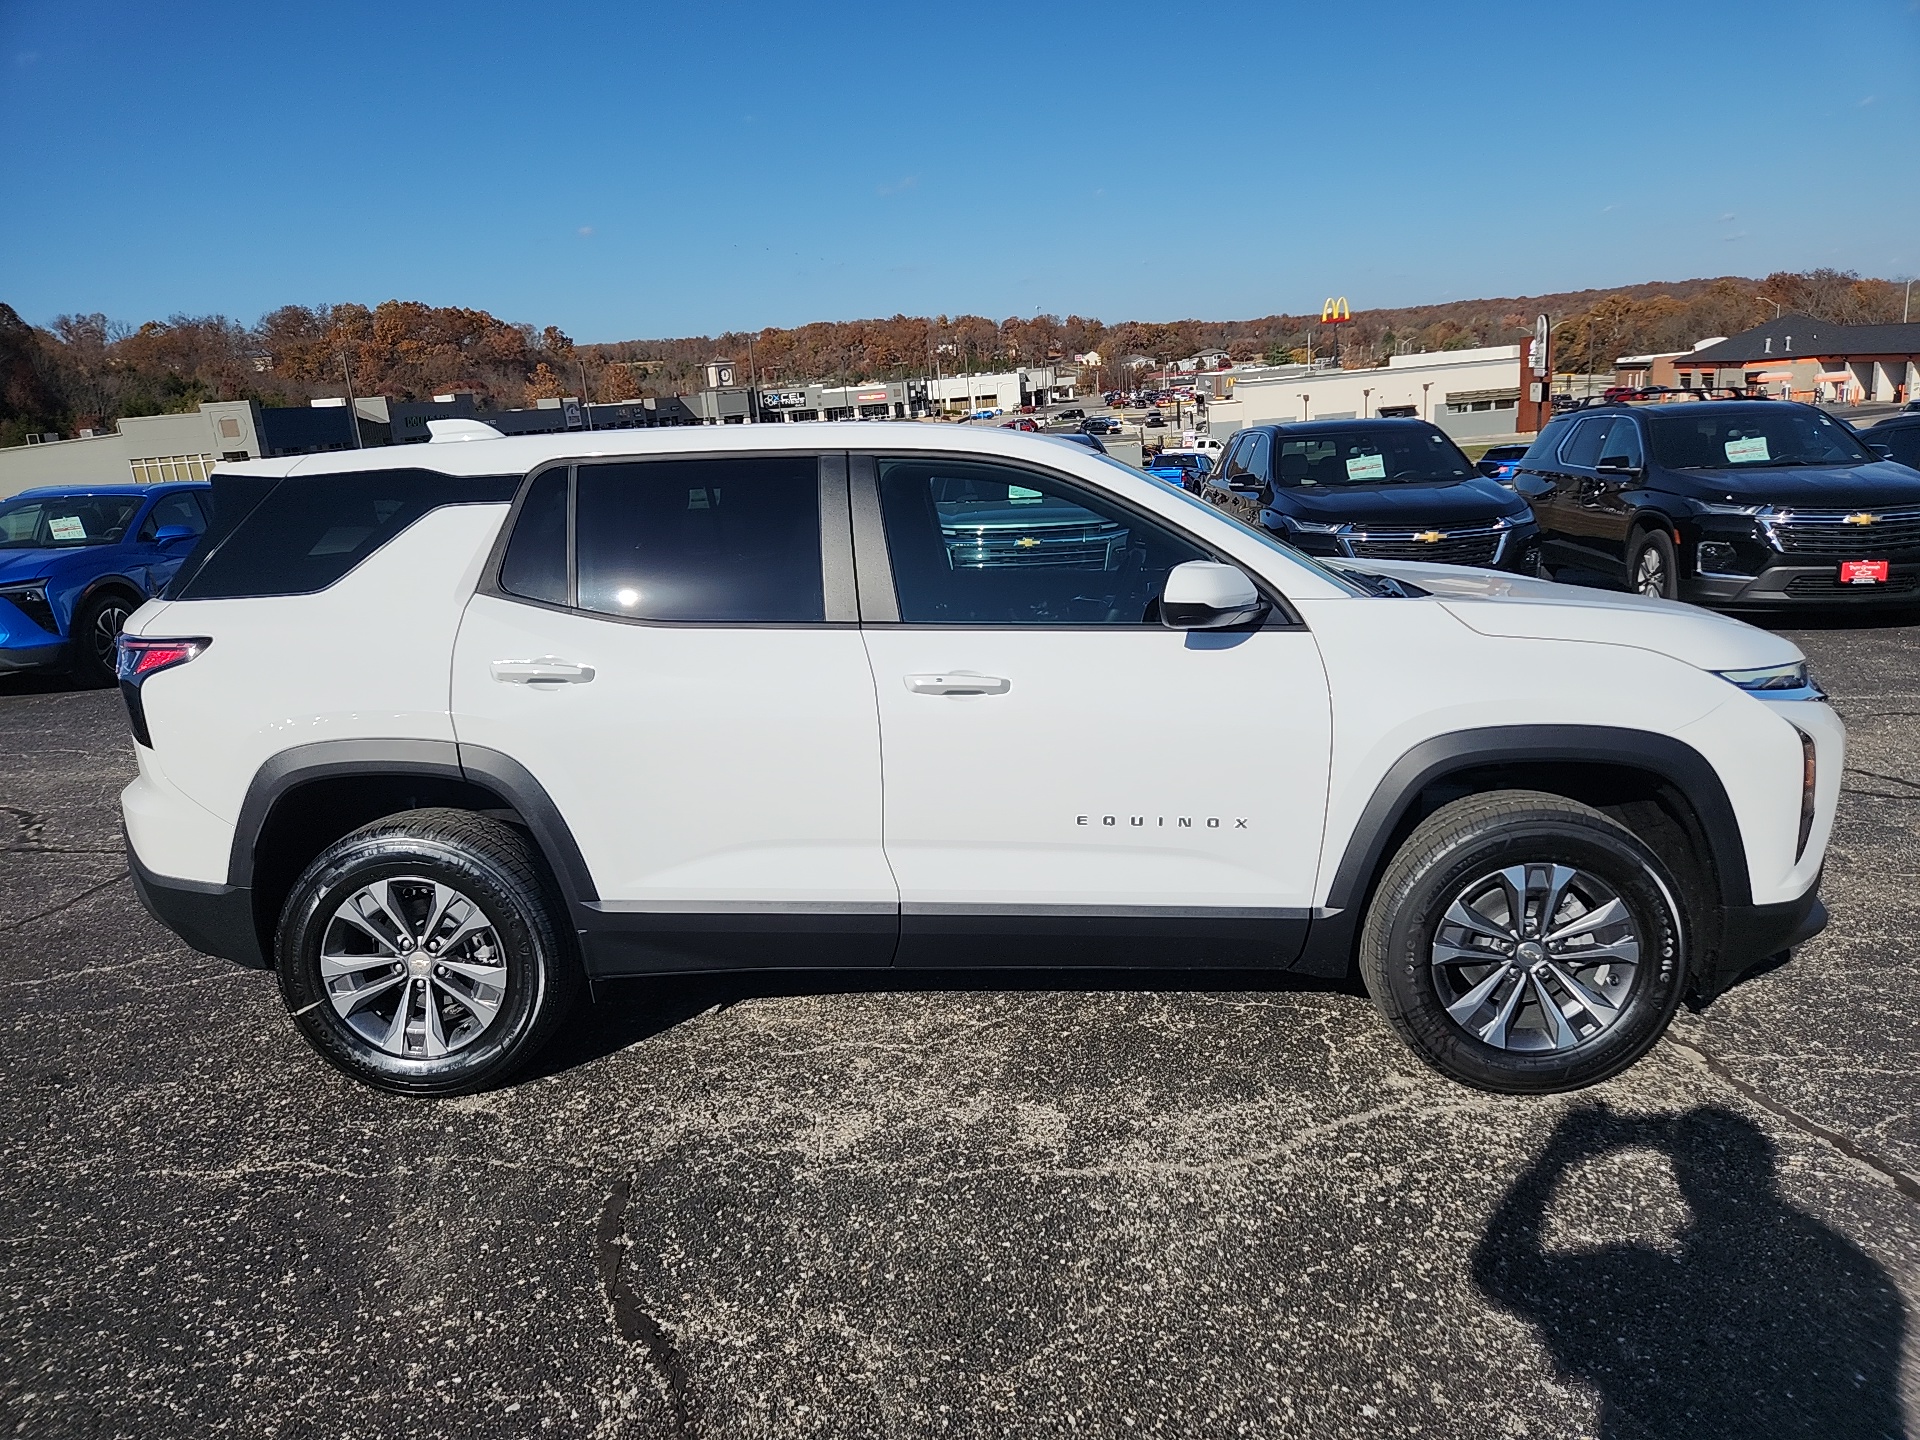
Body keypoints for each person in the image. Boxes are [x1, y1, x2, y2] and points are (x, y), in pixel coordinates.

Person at [1473, 1105, 1907, 1439]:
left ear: (1684, 1177)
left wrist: (1557, 1158)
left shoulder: (1650, 1277)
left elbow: (1501, 1273)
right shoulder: (1852, 1277)